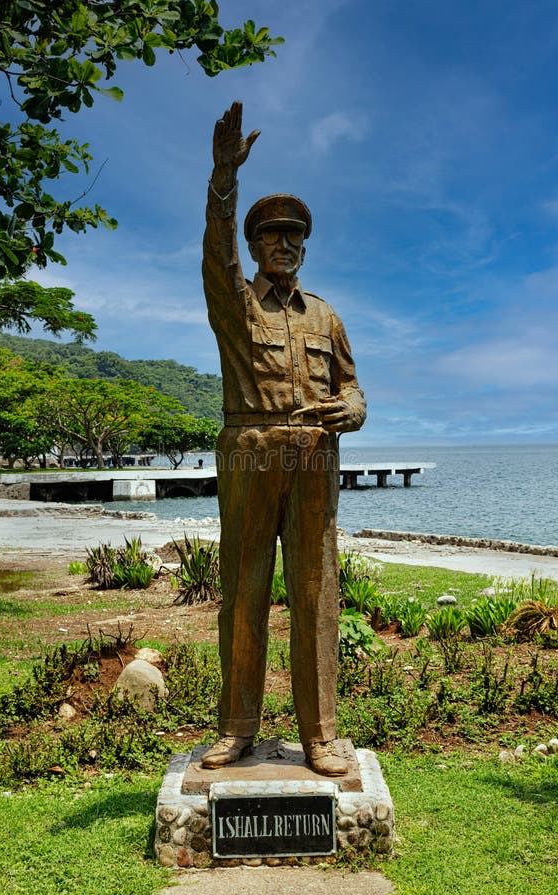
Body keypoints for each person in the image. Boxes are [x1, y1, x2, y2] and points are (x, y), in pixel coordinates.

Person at [201, 102, 366, 776]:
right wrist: (223, 180)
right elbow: (215, 249)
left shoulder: (327, 316)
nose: (285, 245)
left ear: (304, 246)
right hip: (250, 450)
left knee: (315, 590)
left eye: (295, 237)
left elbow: (353, 388)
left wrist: (353, 409)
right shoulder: (236, 303)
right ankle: (238, 729)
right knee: (244, 589)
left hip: (315, 459)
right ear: (256, 246)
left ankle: (320, 733)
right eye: (272, 237)